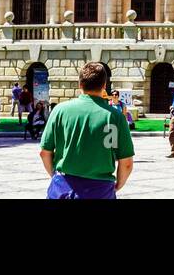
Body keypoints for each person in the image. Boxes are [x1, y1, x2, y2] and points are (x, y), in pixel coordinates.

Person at [40, 61, 134, 199]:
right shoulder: (116, 117)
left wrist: (55, 176)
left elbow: (44, 152)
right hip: (101, 189)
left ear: (80, 84)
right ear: (104, 86)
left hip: (63, 187)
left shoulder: (59, 110)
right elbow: (126, 163)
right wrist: (117, 185)